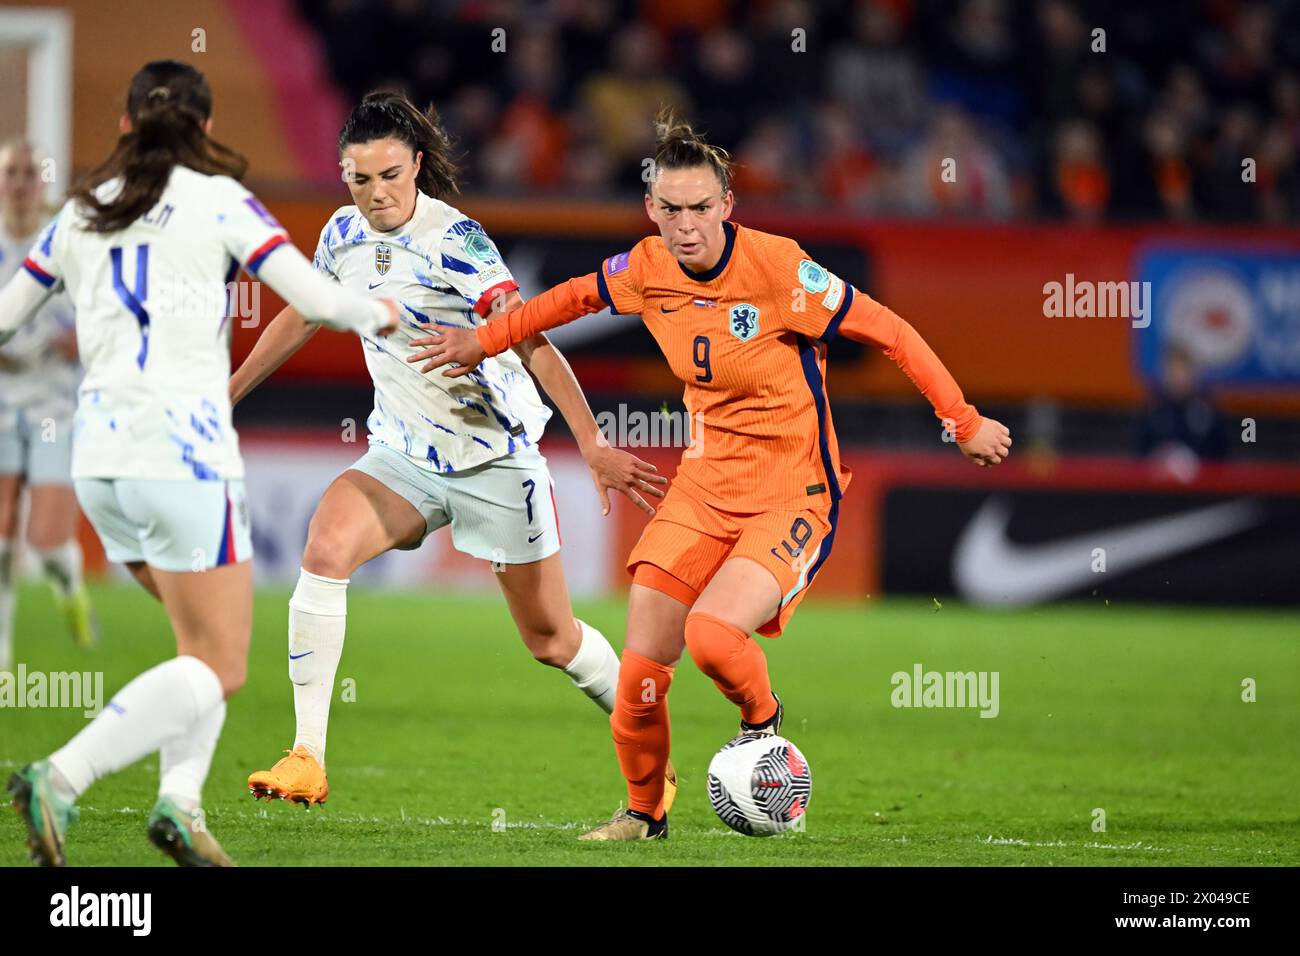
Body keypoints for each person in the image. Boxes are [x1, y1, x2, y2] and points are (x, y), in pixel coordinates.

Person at [410, 109, 1013, 841]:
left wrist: (963, 418)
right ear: (651, 209)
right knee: (636, 677)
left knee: (715, 638)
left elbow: (889, 330)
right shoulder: (646, 267)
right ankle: (642, 814)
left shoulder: (781, 269)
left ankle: (764, 727)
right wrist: (483, 339)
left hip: (794, 491)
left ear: (728, 205)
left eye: (701, 208)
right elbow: (565, 300)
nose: (686, 224)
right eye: (671, 209)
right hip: (703, 488)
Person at [0, 60, 398, 866]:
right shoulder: (219, 201)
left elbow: (6, 319)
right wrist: (383, 309)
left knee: (198, 646)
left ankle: (180, 805)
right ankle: (61, 776)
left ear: (124, 126)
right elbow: (319, 302)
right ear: (207, 129)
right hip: (183, 460)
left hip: (98, 464)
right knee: (222, 661)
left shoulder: (79, 211)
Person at [233, 91, 675, 812]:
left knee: (552, 639)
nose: (375, 193)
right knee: (325, 548)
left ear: (416, 166)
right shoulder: (343, 234)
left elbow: (529, 335)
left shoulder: (456, 241)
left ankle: (652, 745)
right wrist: (229, 393)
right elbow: (306, 310)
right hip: (403, 457)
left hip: (494, 462)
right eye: (359, 178)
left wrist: (591, 440)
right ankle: (307, 755)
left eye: (389, 176)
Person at [0, 140, 97, 671]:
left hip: (54, 405)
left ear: (42, 183)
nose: (18, 183)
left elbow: (98, 314)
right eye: (10, 172)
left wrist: (74, 339)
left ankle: (70, 585)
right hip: (0, 401)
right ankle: (2, 657)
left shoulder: (66, 241)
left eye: (28, 174)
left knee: (45, 539)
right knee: (1, 532)